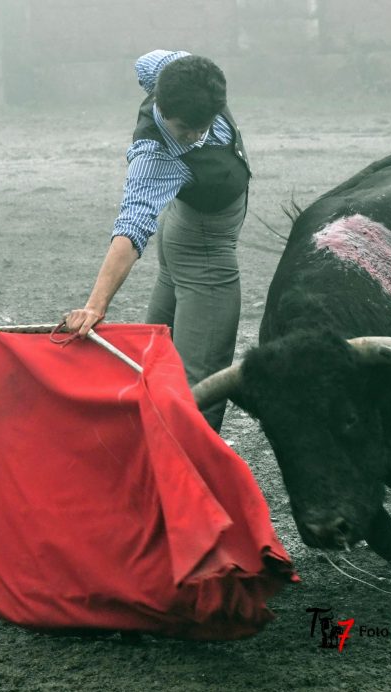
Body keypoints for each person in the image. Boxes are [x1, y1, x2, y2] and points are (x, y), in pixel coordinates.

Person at [64, 50, 250, 433]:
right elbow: (130, 230)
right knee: (200, 382)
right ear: (162, 109)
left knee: (157, 353)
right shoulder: (154, 157)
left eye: (205, 125)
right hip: (204, 253)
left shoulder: (173, 72)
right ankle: (184, 477)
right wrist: (95, 306)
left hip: (183, 232)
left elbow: (146, 61)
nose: (197, 137)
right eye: (186, 128)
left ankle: (149, 450)